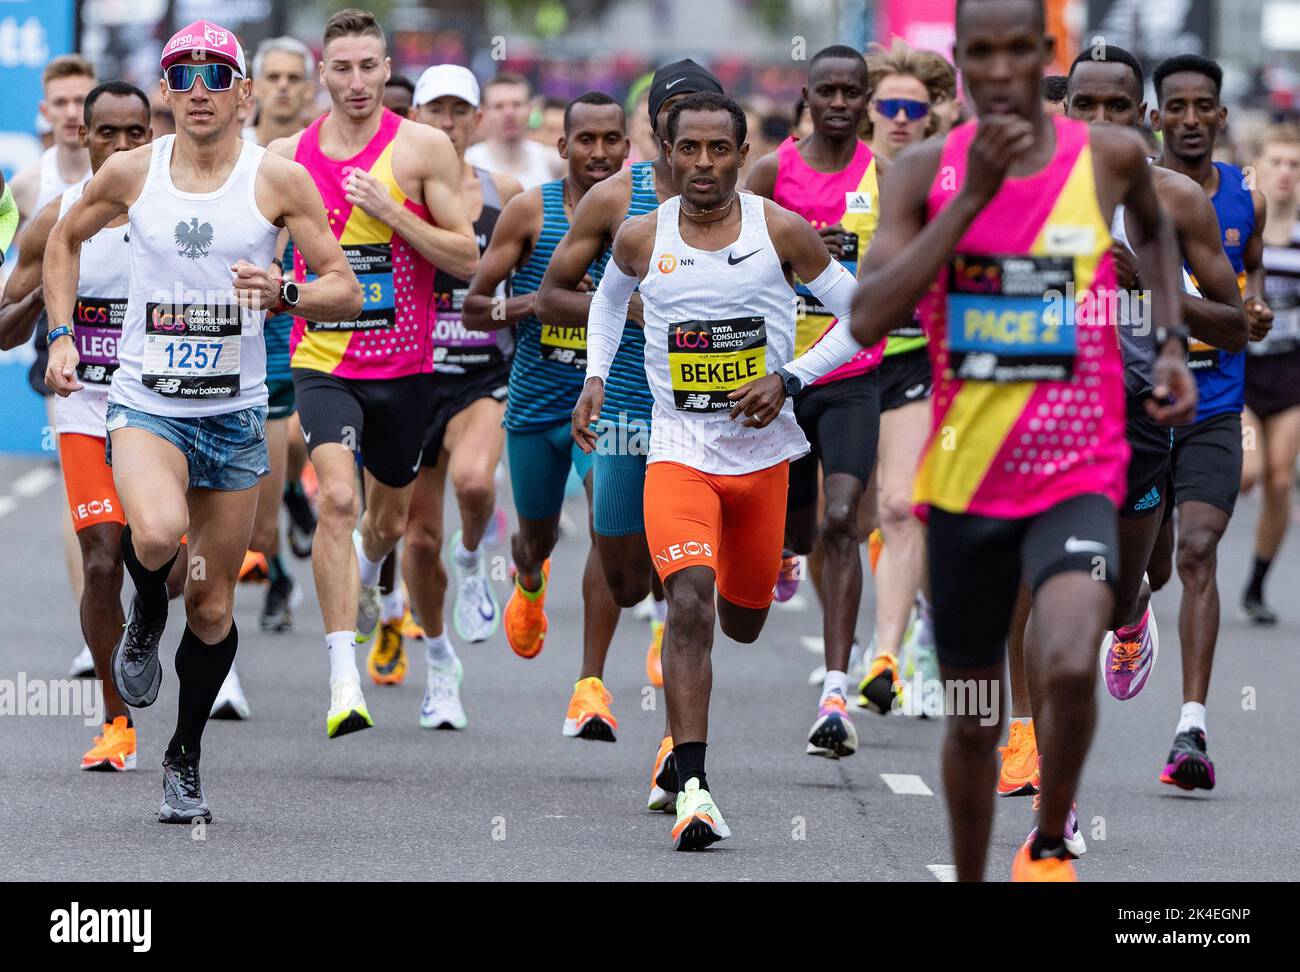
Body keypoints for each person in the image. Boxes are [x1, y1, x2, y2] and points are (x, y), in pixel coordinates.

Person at [850, 0, 1193, 880]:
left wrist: (1167, 344)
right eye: (981, 53)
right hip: (966, 482)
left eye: (1018, 51)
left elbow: (1154, 233)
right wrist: (965, 204)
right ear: (961, 60)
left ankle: (1046, 840)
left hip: (1078, 466)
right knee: (971, 714)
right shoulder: (925, 169)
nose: (1000, 70)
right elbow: (869, 312)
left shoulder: (1110, 158)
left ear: (1045, 53)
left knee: (1073, 657)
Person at [43, 19, 361, 822]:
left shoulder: (276, 181)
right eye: (181, 75)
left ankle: (183, 758)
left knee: (215, 606)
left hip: (234, 414)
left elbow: (345, 289)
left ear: (243, 92)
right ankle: (147, 611)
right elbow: (61, 239)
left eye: (215, 74)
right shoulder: (131, 170)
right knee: (150, 537)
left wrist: (284, 293)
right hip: (146, 401)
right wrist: (60, 335)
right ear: (162, 91)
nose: (197, 90)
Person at [573, 91, 869, 850]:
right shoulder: (642, 237)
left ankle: (751, 597)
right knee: (691, 606)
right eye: (689, 150)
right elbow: (607, 306)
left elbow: (862, 316)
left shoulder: (781, 230)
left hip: (762, 461)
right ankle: (694, 787)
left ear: (742, 154)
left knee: (741, 621)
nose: (703, 164)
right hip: (676, 452)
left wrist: (792, 379)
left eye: (718, 150)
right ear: (667, 154)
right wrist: (597, 379)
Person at [995, 44, 1245, 815]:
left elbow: (1234, 326)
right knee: (1036, 584)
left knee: (1108, 593)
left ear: (1142, 117)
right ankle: (1029, 739)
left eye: (1116, 108)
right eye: (1085, 107)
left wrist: (1146, 278)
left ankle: (1134, 608)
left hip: (1136, 423)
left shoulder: (1172, 200)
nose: (1100, 121)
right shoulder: (1018, 191)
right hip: (1039, 409)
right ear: (1063, 113)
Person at [268, 7, 479, 739]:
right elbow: (257, 241)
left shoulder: (422, 149)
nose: (356, 82)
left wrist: (397, 214)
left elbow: (467, 259)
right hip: (323, 359)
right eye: (342, 68)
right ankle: (341, 677)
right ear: (322, 74)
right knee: (333, 498)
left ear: (388, 71)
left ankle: (365, 565)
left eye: (369, 67)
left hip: (406, 368)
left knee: (387, 522)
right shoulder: (290, 155)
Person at [536, 61, 724, 803]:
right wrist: (632, 316)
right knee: (626, 574)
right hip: (628, 412)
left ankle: (681, 756)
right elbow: (552, 293)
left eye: (705, 121)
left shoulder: (754, 211)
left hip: (710, 420)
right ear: (657, 130)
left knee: (691, 591)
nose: (692, 139)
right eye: (673, 117)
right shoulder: (619, 199)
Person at [462, 92, 630, 741]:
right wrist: (539, 304)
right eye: (583, 139)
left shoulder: (643, 218)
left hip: (611, 401)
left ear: (626, 148)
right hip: (536, 402)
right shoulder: (530, 211)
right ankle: (528, 579)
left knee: (610, 529)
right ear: (562, 148)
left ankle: (590, 686)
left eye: (609, 140)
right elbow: (476, 307)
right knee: (538, 538)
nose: (597, 152)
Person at [0, 81, 154, 770]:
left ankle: (145, 623)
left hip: (166, 406)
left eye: (135, 134)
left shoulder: (181, 212)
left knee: (163, 561)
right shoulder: (53, 219)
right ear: (82, 139)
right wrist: (49, 293)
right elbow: (4, 331)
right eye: (108, 134)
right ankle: (116, 721)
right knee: (101, 558)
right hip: (86, 406)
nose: (122, 147)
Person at [371, 64, 521, 726]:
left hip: (481, 374)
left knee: (474, 484)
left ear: (479, 119)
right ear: (414, 117)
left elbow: (535, 283)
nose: (449, 122)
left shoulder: (507, 193)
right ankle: (439, 663)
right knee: (415, 539)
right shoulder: (385, 191)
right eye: (436, 109)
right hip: (408, 375)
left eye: (461, 110)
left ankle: (473, 555)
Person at [746, 45, 885, 758]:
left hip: (854, 374)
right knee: (798, 534)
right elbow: (734, 253)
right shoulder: (774, 171)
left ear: (867, 99)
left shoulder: (885, 176)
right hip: (780, 376)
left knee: (842, 519)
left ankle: (836, 687)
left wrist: (855, 263)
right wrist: (799, 254)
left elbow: (900, 268)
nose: (838, 102)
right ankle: (786, 554)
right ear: (806, 95)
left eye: (850, 92)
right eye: (825, 90)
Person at [1149, 52, 1272, 790]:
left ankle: (1190, 725)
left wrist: (1249, 311)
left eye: (1205, 107)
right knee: (1146, 570)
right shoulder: (1130, 197)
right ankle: (1134, 614)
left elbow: (1245, 286)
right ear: (1155, 116)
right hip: (1138, 406)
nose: (1191, 119)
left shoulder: (1243, 199)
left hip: (1216, 403)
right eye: (1178, 107)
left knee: (1198, 550)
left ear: (1221, 117)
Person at [855, 41, 959, 718]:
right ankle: (905, 617)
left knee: (901, 506)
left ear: (933, 116)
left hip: (918, 359)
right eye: (887, 106)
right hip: (839, 361)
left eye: (912, 108)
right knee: (850, 516)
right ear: (867, 111)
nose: (899, 118)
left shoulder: (948, 177)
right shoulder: (840, 172)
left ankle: (887, 654)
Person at [10, 54, 97, 680]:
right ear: (46, 113)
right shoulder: (25, 187)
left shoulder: (132, 172)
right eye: (60, 103)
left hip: (138, 344)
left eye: (81, 102)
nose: (71, 114)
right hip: (61, 346)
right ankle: (93, 631)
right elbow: (9, 287)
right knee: (82, 502)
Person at [237, 36, 319, 653]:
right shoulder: (233, 153)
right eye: (274, 76)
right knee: (257, 479)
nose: (285, 87)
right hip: (242, 323)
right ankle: (278, 564)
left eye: (296, 76)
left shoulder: (324, 154)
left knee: (289, 439)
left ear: (309, 87)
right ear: (254, 86)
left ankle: (288, 508)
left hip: (307, 317)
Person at [1240, 124, 1300, 624]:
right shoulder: (1239, 230)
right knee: (1249, 473)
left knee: (1280, 483)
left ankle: (1257, 585)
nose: (1285, 174)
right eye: (1276, 162)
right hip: (1242, 372)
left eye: (1294, 165)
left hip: (1291, 375)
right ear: (1256, 166)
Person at [465, 72, 564, 190]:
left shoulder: (552, 162)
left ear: (530, 108)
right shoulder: (470, 163)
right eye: (499, 106)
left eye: (516, 104)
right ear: (484, 112)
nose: (509, 113)